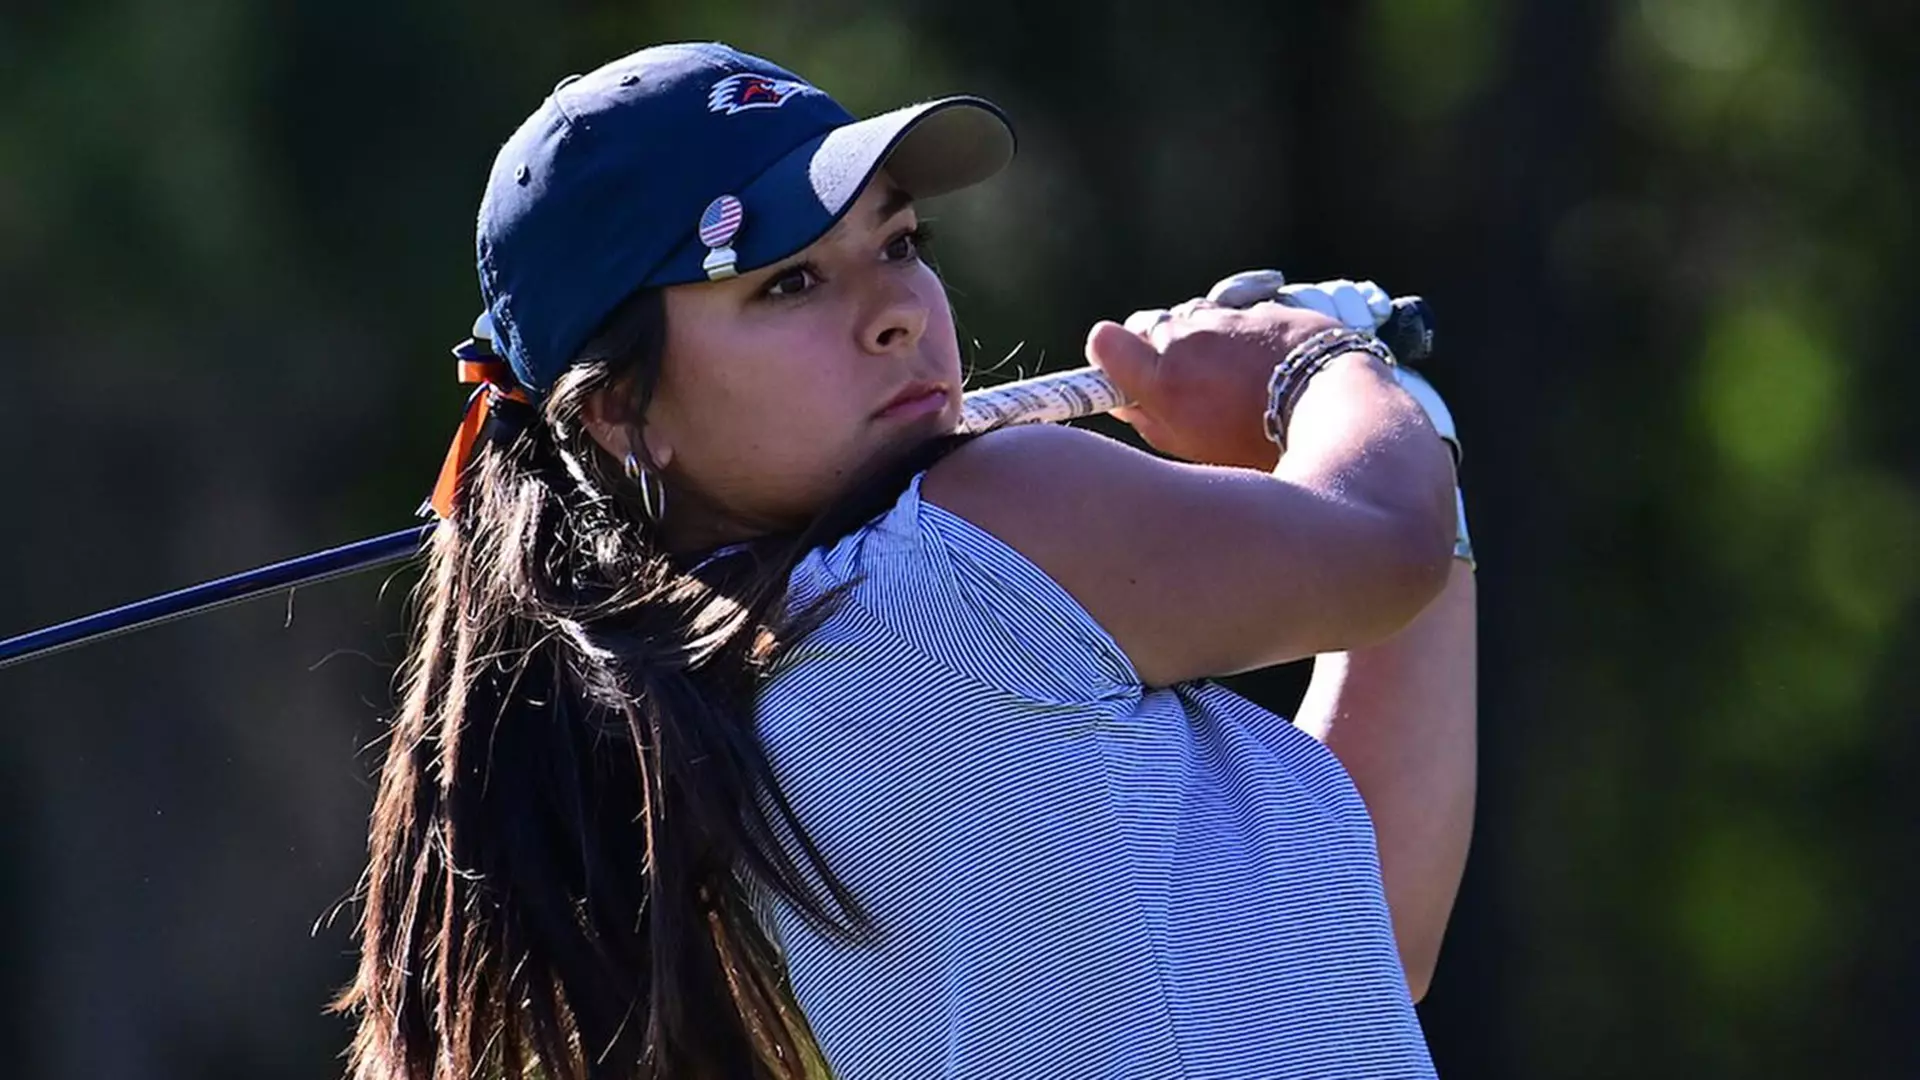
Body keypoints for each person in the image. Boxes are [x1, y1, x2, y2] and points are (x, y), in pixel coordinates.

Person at [332, 40, 1477, 1080]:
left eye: (897, 242)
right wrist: (1316, 367)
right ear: (623, 411)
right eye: (788, 280)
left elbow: (1363, 930)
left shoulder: (713, 696)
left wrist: (1404, 424)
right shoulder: (988, 520)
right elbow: (1385, 544)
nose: (895, 313)